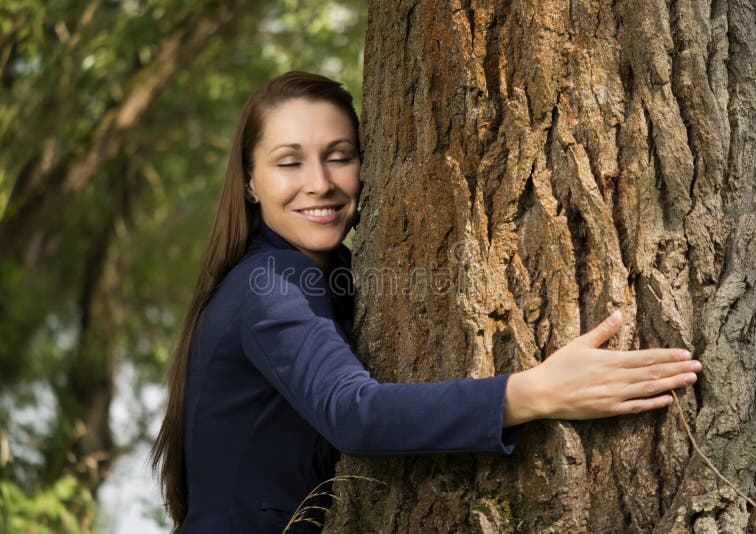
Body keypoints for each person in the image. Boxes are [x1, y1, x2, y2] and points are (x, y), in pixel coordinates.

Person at [150, 71, 702, 533]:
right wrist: (535, 392)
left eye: (339, 156)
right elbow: (353, 414)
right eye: (289, 162)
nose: (319, 182)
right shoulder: (268, 282)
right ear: (250, 182)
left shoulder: (333, 275)